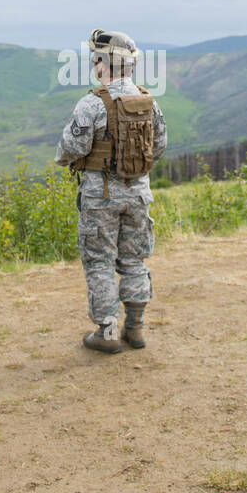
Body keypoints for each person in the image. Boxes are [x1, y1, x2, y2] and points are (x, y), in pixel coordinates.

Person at [55, 28, 167, 353]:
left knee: (99, 261)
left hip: (100, 194)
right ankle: (135, 328)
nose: (93, 65)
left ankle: (107, 335)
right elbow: (159, 145)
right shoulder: (148, 101)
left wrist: (68, 161)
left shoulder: (92, 104)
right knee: (134, 260)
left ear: (104, 64)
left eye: (95, 59)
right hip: (139, 193)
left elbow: (70, 147)